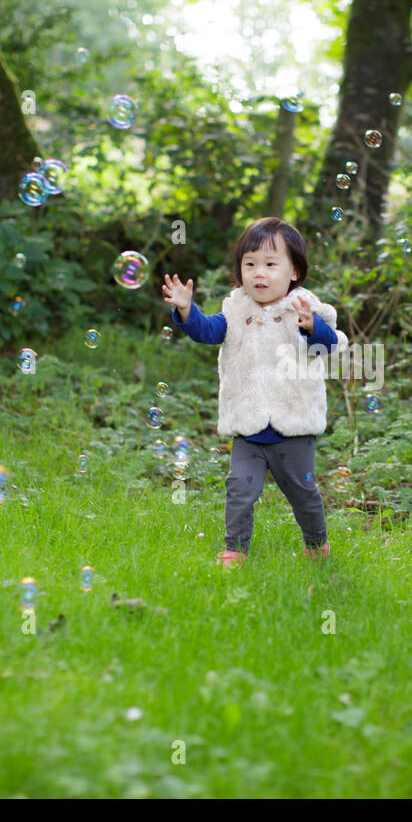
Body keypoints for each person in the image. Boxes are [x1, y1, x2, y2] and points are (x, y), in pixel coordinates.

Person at [161, 217, 348, 567]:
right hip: (249, 426)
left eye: (270, 264)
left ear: (294, 272)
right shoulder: (236, 309)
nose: (259, 273)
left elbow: (330, 345)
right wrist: (186, 309)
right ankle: (235, 549)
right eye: (250, 264)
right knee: (239, 489)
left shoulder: (306, 308)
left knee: (303, 493)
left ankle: (316, 543)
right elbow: (208, 331)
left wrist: (312, 327)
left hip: (293, 426)